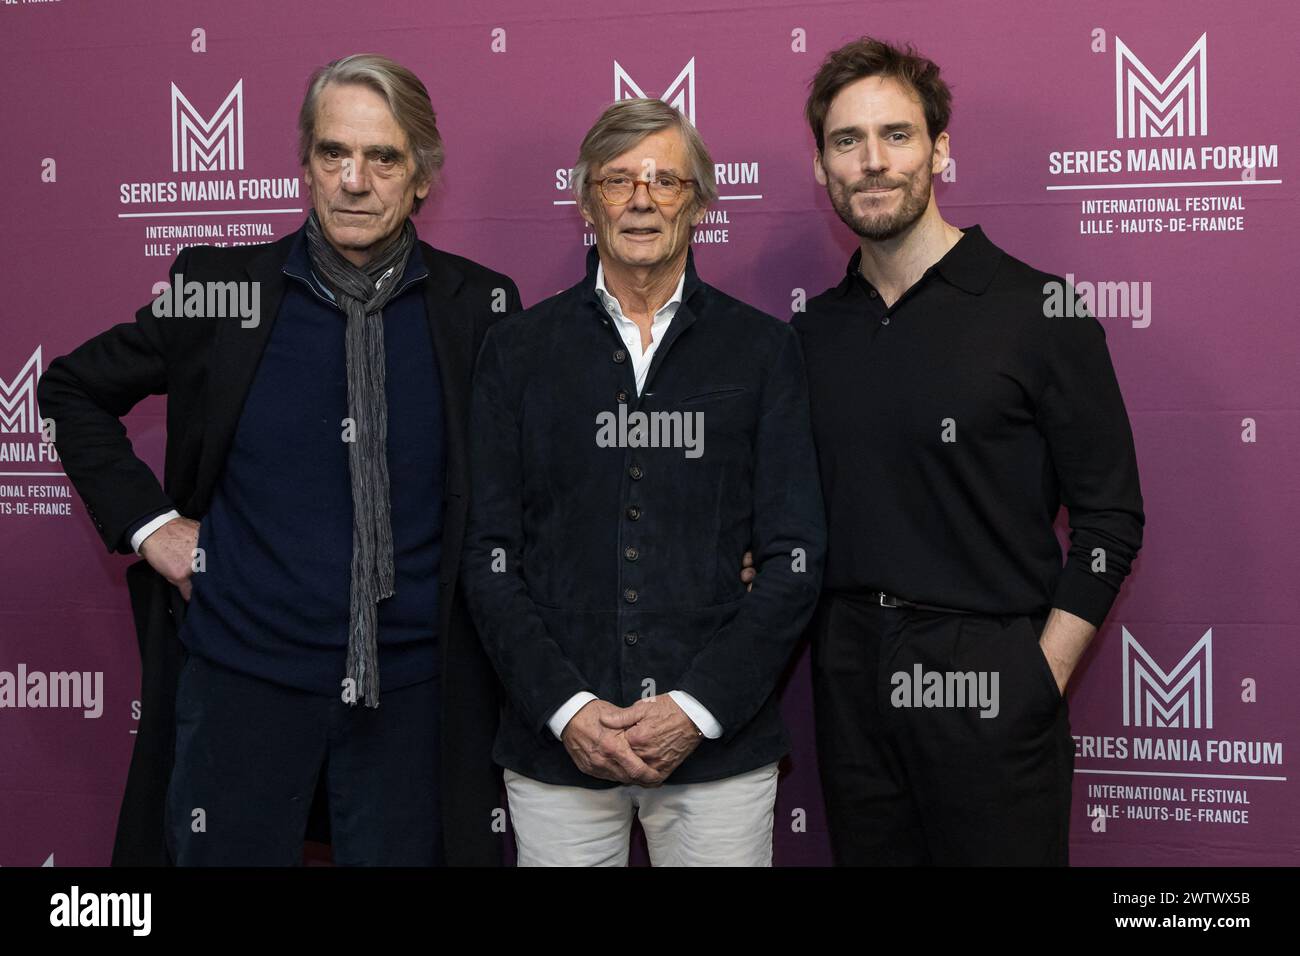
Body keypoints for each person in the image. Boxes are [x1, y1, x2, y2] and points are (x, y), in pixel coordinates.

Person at [38, 53, 519, 866]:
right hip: (242, 685)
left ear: (423, 176)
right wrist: (150, 524)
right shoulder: (225, 291)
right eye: (333, 154)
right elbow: (72, 390)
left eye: (383, 158)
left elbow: (541, 470)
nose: (354, 181)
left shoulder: (482, 308)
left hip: (412, 697)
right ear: (305, 166)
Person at [792, 37, 1144, 865]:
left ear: (941, 149)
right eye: (848, 141)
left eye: (897, 135)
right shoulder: (810, 335)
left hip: (989, 675)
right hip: (848, 677)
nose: (873, 162)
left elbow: (1111, 518)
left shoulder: (1041, 312)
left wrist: (1036, 678)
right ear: (822, 168)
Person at [461, 98, 825, 866]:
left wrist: (693, 710)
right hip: (556, 748)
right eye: (618, 179)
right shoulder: (516, 351)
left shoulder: (762, 352)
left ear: (699, 202)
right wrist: (569, 710)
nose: (640, 200)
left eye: (666, 181)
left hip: (718, 751)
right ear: (585, 200)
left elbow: (795, 558)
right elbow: (490, 556)